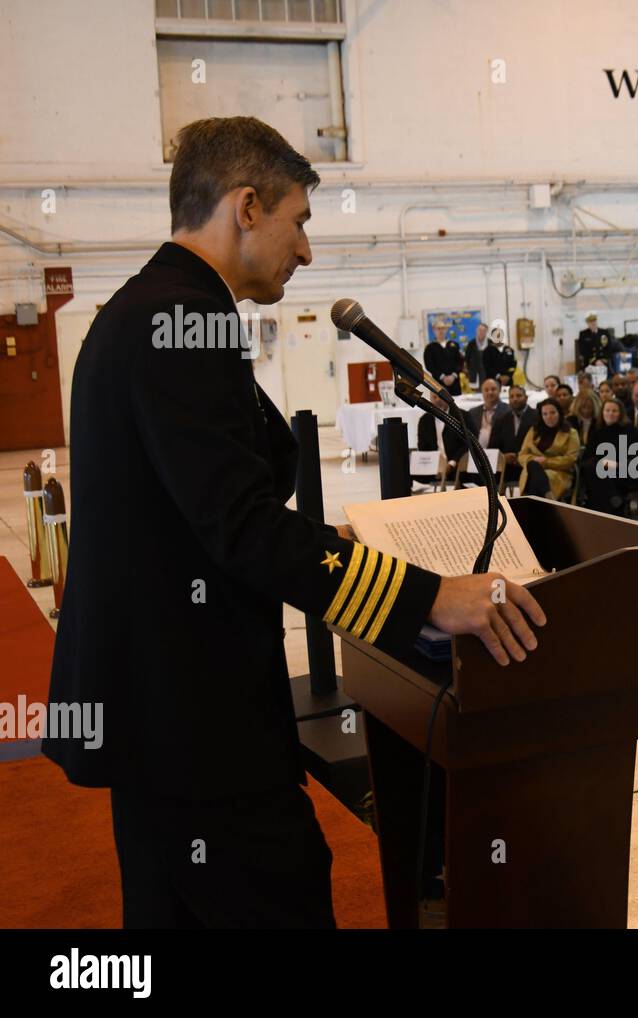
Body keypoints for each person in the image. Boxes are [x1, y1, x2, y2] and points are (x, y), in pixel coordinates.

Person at [43, 116, 544, 931]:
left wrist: (351, 550)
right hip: (194, 719)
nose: (306, 250)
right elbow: (241, 529)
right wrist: (429, 599)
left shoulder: (152, 310)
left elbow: (200, 513)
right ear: (246, 206)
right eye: (299, 221)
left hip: (158, 714)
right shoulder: (182, 323)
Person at [581, 398, 638, 515]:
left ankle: (603, 511)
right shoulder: (597, 429)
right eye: (607, 410)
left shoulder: (630, 430)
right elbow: (587, 456)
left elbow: (637, 459)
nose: (610, 413)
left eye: (614, 411)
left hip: (622, 471)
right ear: (602, 412)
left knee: (596, 477)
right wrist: (601, 462)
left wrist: (616, 464)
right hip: (599, 471)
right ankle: (614, 499)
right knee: (591, 467)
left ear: (621, 413)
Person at [519, 398, 579, 499]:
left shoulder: (571, 432)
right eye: (545, 414)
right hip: (532, 470)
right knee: (533, 466)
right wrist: (534, 459)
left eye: (552, 413)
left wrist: (546, 462)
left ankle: (536, 503)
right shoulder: (534, 431)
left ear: (559, 413)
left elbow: (570, 459)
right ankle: (548, 496)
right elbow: (521, 455)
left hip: (558, 473)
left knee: (535, 476)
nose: (549, 417)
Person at [424, 317, 464, 396]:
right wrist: (443, 377)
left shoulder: (454, 345)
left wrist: (453, 376)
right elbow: (429, 366)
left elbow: (460, 362)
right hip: (438, 383)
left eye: (443, 328)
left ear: (446, 330)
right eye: (438, 328)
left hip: (455, 383)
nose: (441, 331)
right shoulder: (430, 348)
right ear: (434, 330)